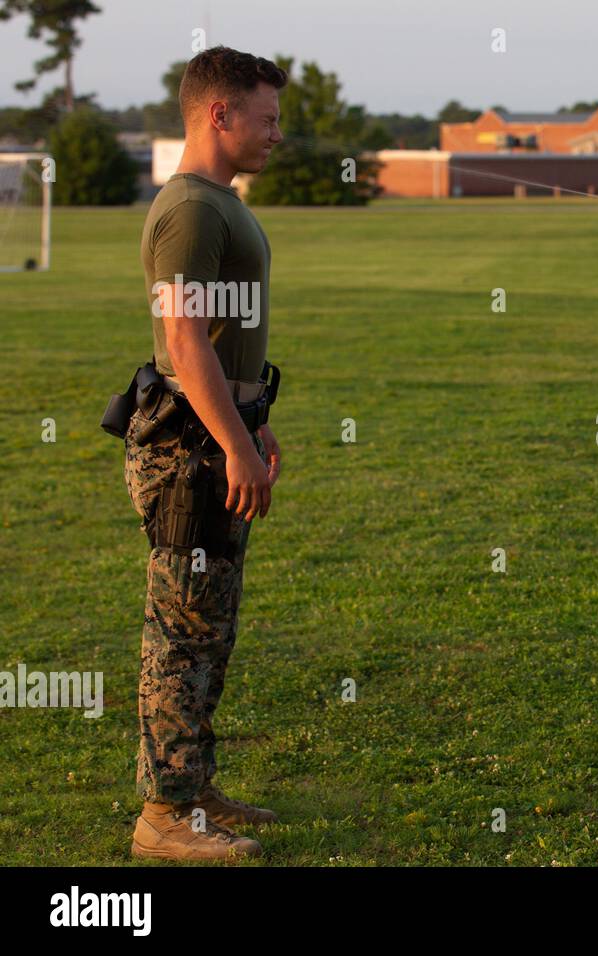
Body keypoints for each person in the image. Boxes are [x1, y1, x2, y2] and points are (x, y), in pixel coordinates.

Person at [124, 45, 287, 861]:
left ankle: (193, 788)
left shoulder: (220, 202)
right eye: (266, 119)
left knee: (209, 627)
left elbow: (223, 345)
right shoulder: (190, 209)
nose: (276, 135)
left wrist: (253, 424)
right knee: (181, 630)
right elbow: (185, 342)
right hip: (190, 451)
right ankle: (163, 817)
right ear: (219, 114)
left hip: (217, 437)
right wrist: (234, 444)